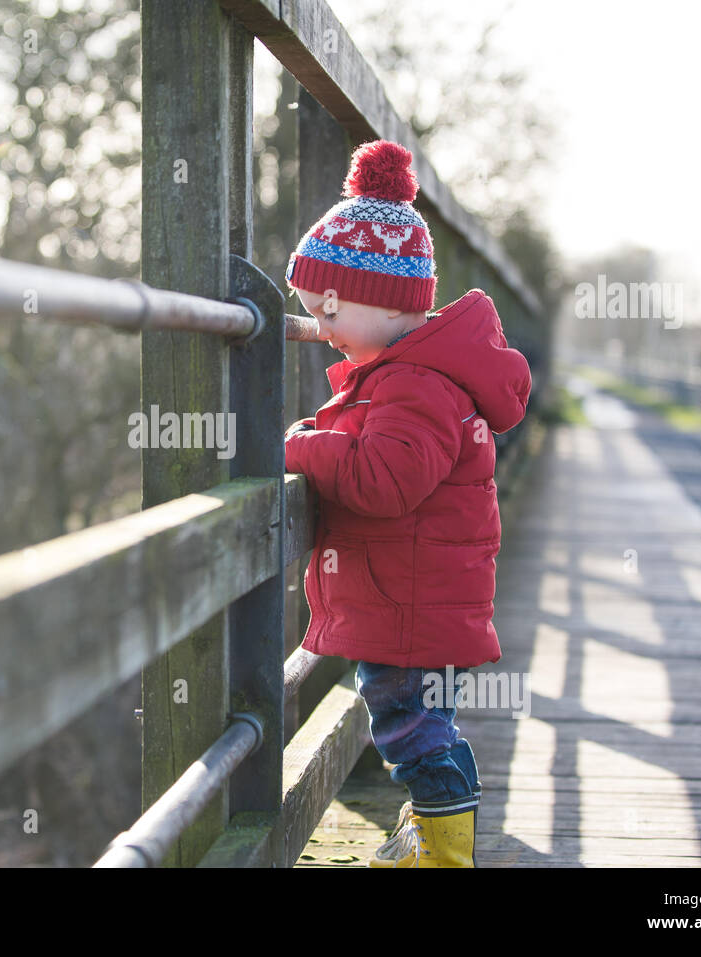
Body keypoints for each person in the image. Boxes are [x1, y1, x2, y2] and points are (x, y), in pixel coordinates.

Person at [283, 139, 532, 867]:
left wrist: (300, 446)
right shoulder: (412, 373)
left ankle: (447, 853)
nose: (318, 327)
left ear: (385, 302)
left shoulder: (414, 384)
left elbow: (387, 480)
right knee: (419, 723)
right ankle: (432, 834)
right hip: (418, 599)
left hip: (413, 607)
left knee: (411, 730)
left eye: (327, 311)